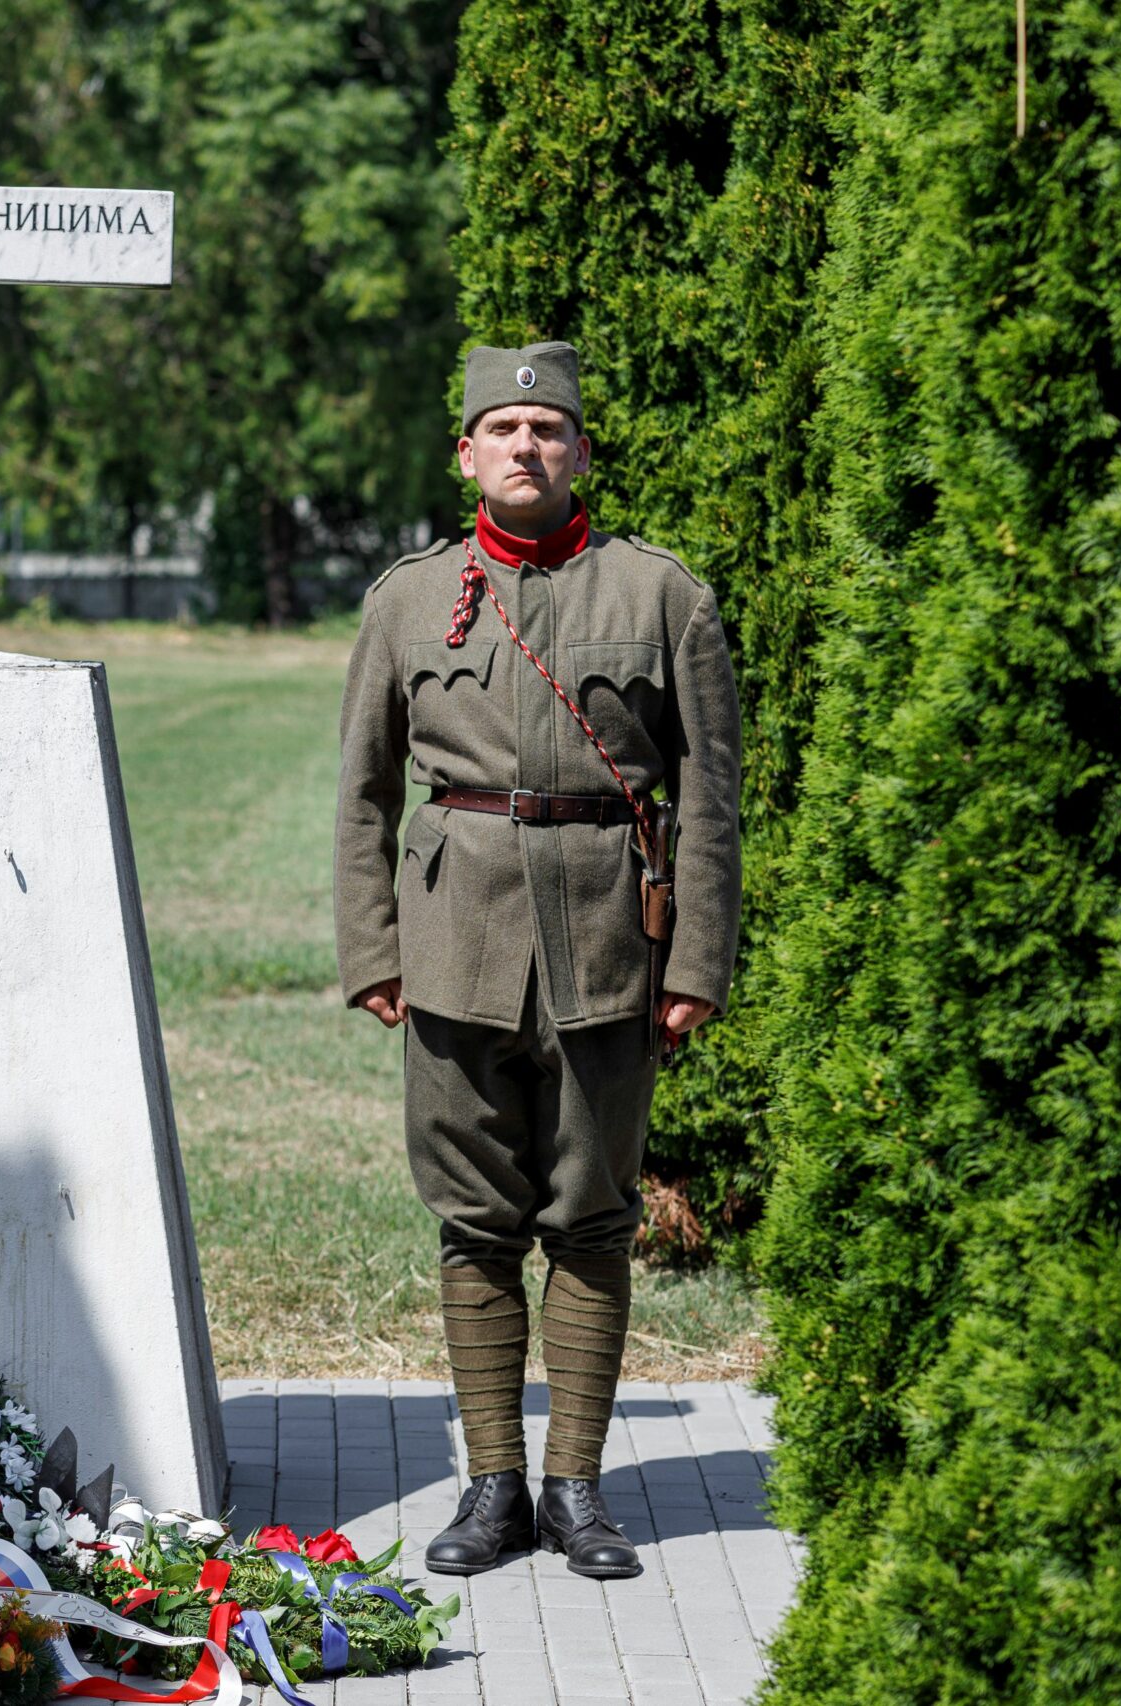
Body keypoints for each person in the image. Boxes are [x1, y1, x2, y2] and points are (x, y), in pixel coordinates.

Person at [334, 344, 742, 1579]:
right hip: (453, 945)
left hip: (613, 947)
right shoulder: (408, 598)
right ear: (464, 452)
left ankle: (575, 1483)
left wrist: (697, 964)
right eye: (501, 427)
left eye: (547, 428)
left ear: (579, 451)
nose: (525, 446)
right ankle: (491, 1484)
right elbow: (361, 791)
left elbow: (711, 798)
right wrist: (371, 947)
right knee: (473, 1221)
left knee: (592, 1217)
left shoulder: (661, 596)